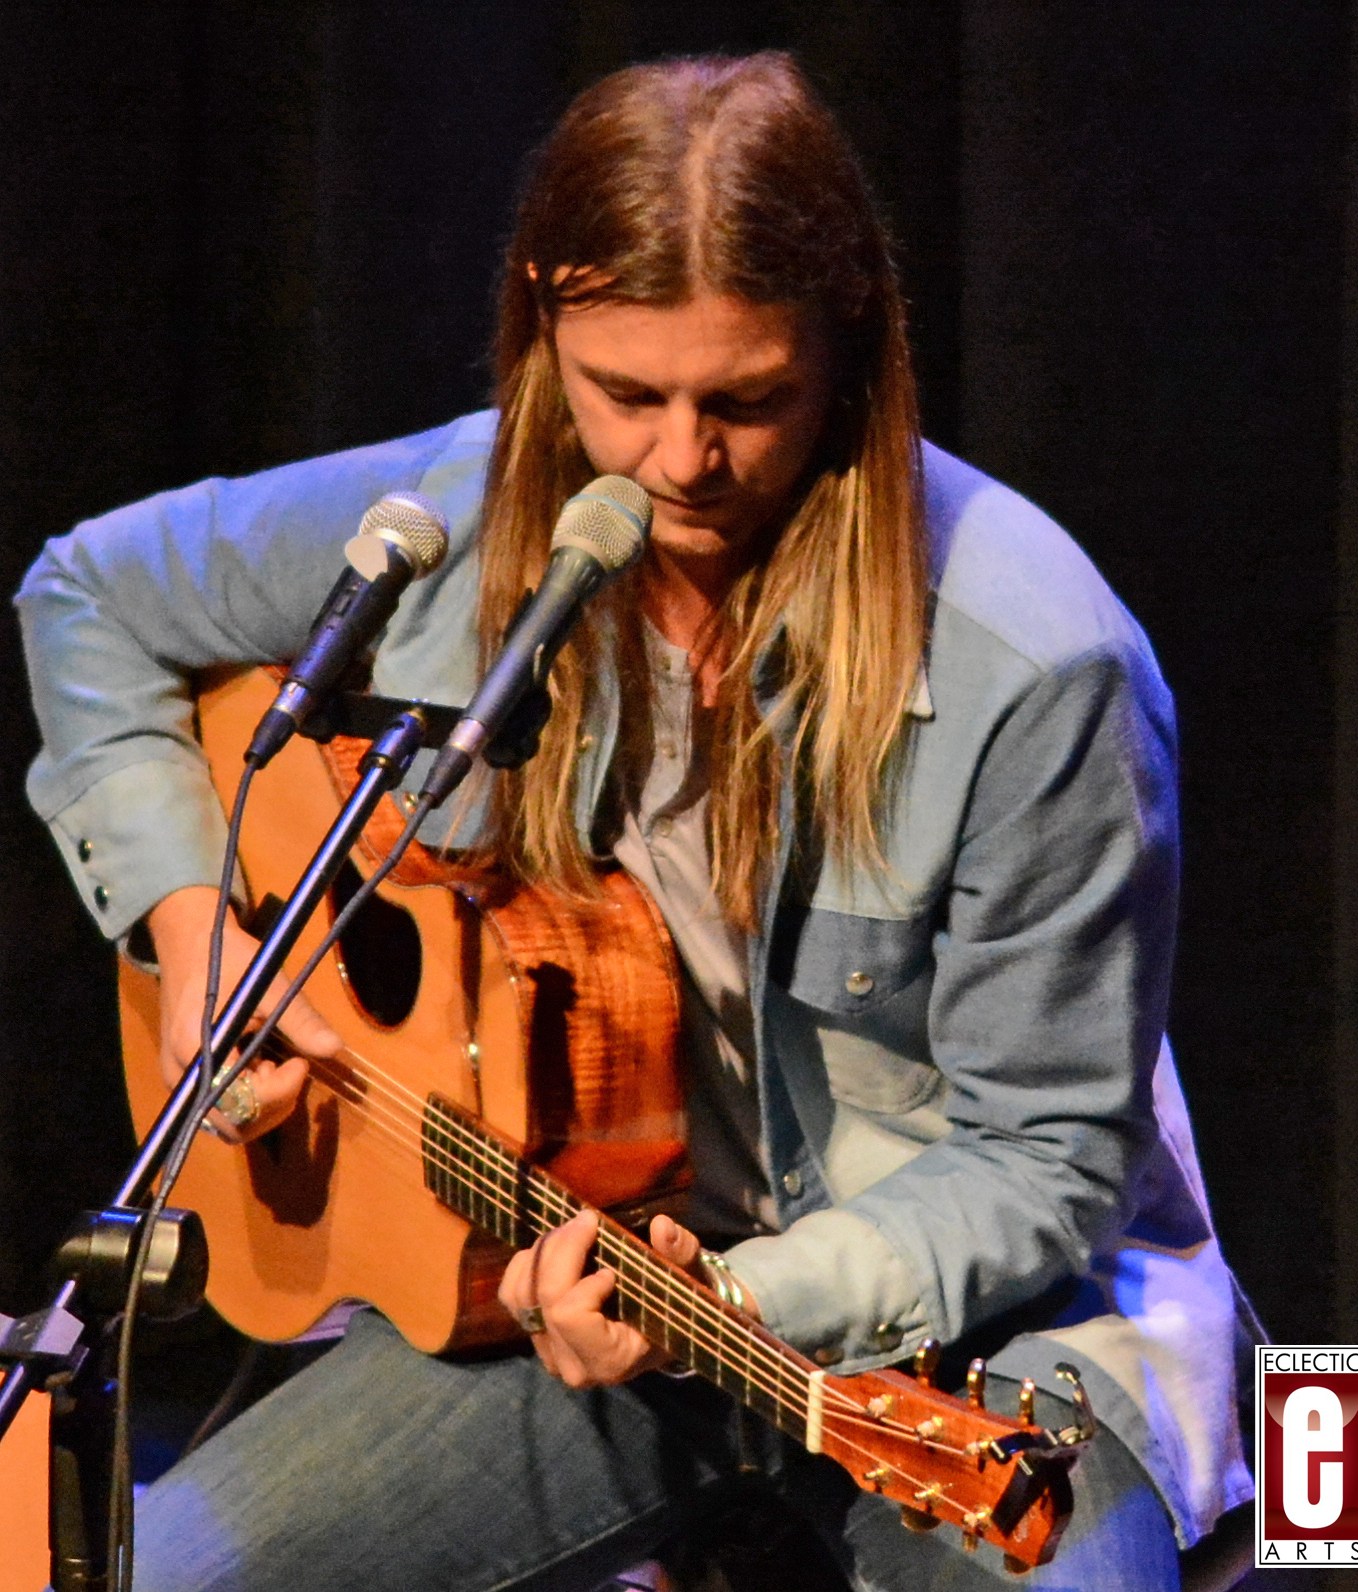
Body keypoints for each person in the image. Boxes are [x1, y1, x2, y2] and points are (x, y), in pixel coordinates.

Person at [17, 51, 1254, 1591]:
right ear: (544, 327)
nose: (680, 462)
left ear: (849, 350)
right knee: (125, 1572)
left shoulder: (1035, 662)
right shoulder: (454, 520)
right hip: (563, 1270)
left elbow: (1042, 1163)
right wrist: (196, 936)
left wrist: (744, 1296)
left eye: (746, 401)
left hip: (993, 1335)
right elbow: (84, 597)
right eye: (625, 396)